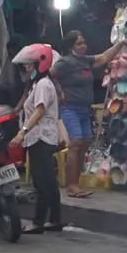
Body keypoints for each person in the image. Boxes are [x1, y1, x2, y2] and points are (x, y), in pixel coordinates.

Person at [53, 32, 115, 198]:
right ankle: (71, 186)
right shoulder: (65, 62)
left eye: (84, 43)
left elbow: (104, 57)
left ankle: (76, 182)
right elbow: (50, 75)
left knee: (85, 142)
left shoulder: (85, 60)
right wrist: (60, 92)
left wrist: (121, 44)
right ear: (71, 46)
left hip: (84, 108)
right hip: (70, 108)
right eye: (79, 43)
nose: (83, 46)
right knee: (76, 142)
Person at [16, 43, 64, 233]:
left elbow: (39, 110)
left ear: (40, 64)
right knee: (48, 181)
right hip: (41, 137)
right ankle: (54, 220)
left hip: (41, 137)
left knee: (42, 182)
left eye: (30, 64)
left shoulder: (43, 85)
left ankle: (38, 222)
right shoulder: (39, 84)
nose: (26, 68)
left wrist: (22, 131)